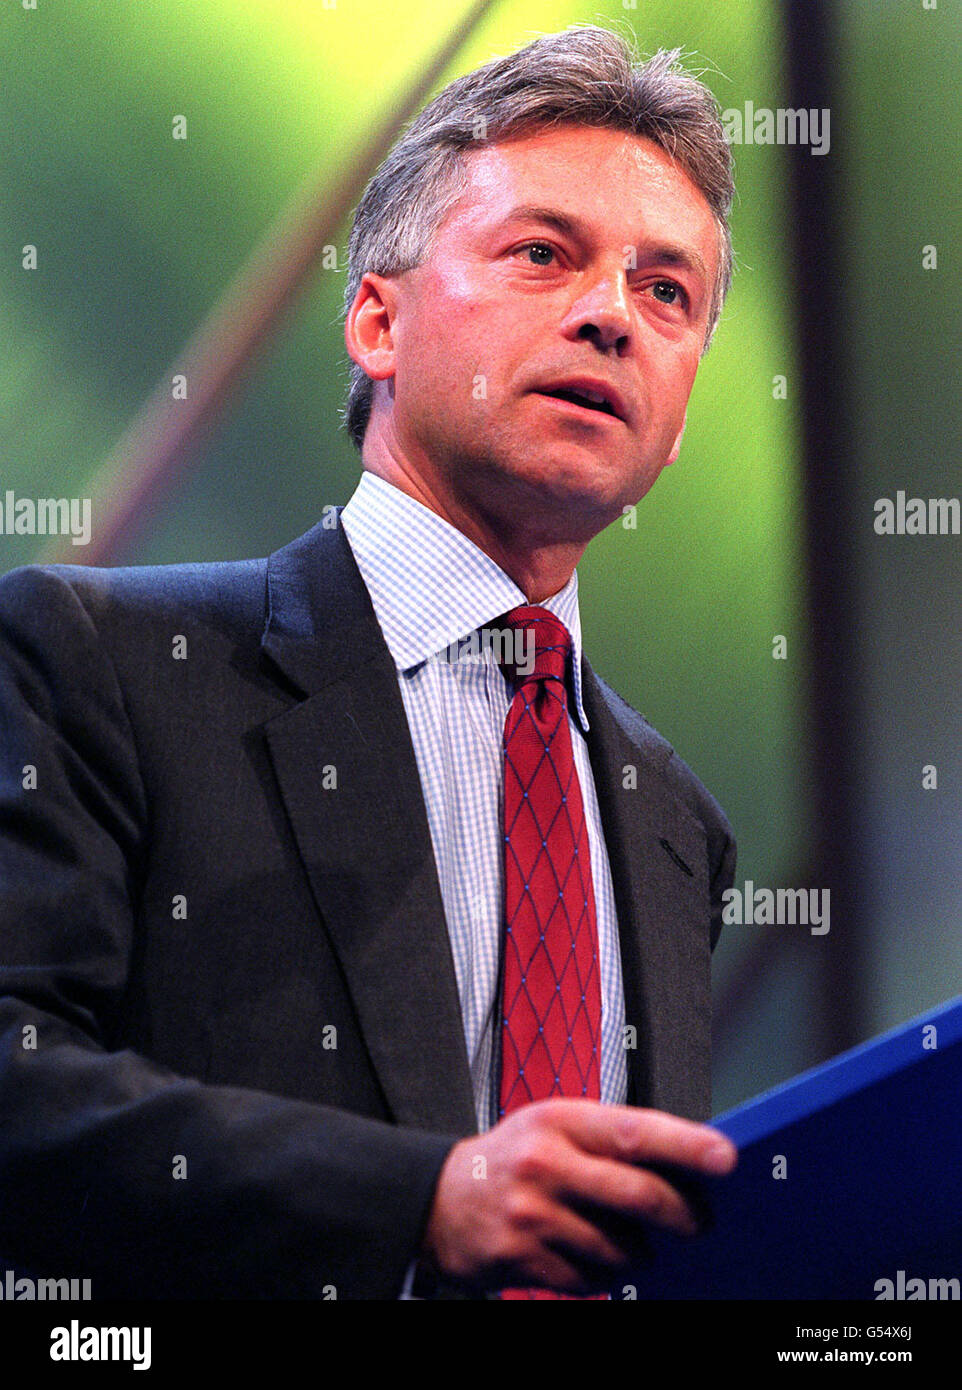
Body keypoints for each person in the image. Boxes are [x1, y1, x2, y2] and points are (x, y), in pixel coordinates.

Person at [0, 25, 738, 1301]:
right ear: (376, 322)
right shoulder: (99, 663)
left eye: (665, 292)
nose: (610, 316)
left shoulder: (679, 829)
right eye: (541, 254)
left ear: (675, 428)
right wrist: (419, 1203)